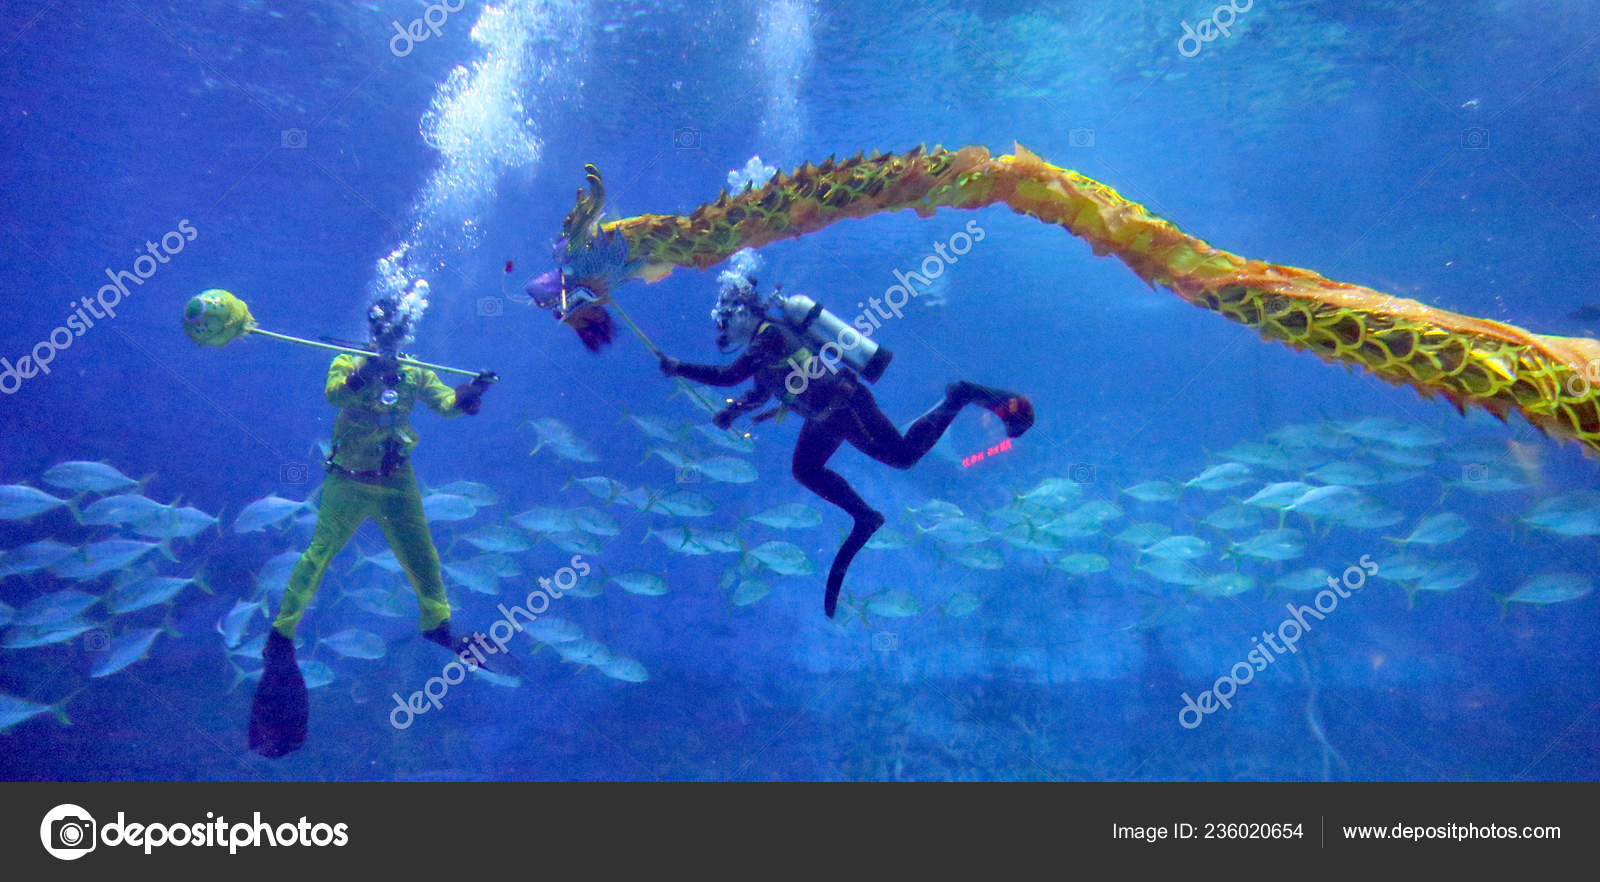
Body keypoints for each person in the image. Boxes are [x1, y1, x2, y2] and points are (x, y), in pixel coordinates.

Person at [656, 276, 1034, 618]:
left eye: (727, 318)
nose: (724, 328)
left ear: (745, 311)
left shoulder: (771, 335)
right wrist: (734, 412)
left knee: (903, 456)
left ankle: (960, 395)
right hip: (824, 415)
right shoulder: (764, 347)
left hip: (845, 405)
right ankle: (865, 517)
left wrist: (678, 368)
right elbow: (759, 390)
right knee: (805, 470)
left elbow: (727, 376)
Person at [249, 295, 497, 759]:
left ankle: (437, 624)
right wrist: (365, 373)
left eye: (397, 333)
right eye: (384, 333)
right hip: (347, 479)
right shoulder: (347, 359)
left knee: (422, 556)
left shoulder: (415, 370)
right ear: (374, 332)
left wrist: (471, 393)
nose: (391, 340)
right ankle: (281, 635)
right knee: (318, 555)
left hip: (396, 479)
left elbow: (445, 405)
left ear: (404, 334)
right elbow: (335, 395)